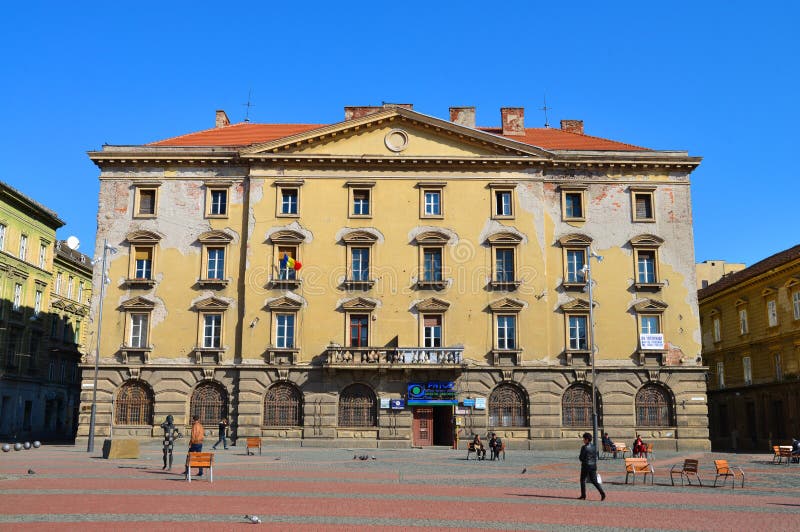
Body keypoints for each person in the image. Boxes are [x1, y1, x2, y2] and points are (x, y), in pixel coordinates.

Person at [578, 432, 606, 501]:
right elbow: (595, 456)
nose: (583, 440)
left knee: (582, 480)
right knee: (594, 481)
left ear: (587, 439)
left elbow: (581, 458)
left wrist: (583, 460)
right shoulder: (594, 447)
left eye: (584, 439)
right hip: (593, 466)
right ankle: (602, 493)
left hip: (586, 466)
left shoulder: (584, 447)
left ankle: (583, 495)